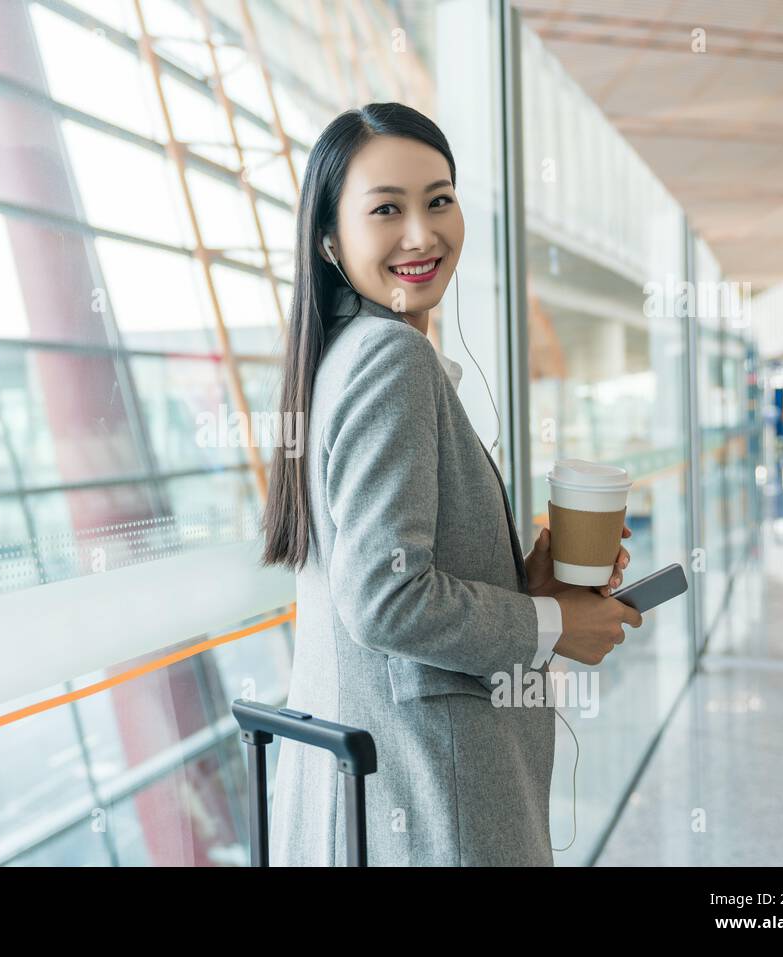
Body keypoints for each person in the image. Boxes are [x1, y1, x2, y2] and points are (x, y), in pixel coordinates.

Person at [259, 102, 642, 866]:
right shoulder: (391, 361)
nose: (421, 233)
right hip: (431, 799)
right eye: (386, 210)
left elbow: (384, 574)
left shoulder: (335, 358)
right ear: (331, 240)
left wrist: (528, 583)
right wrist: (553, 625)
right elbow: (385, 596)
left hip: (373, 794)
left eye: (439, 200)